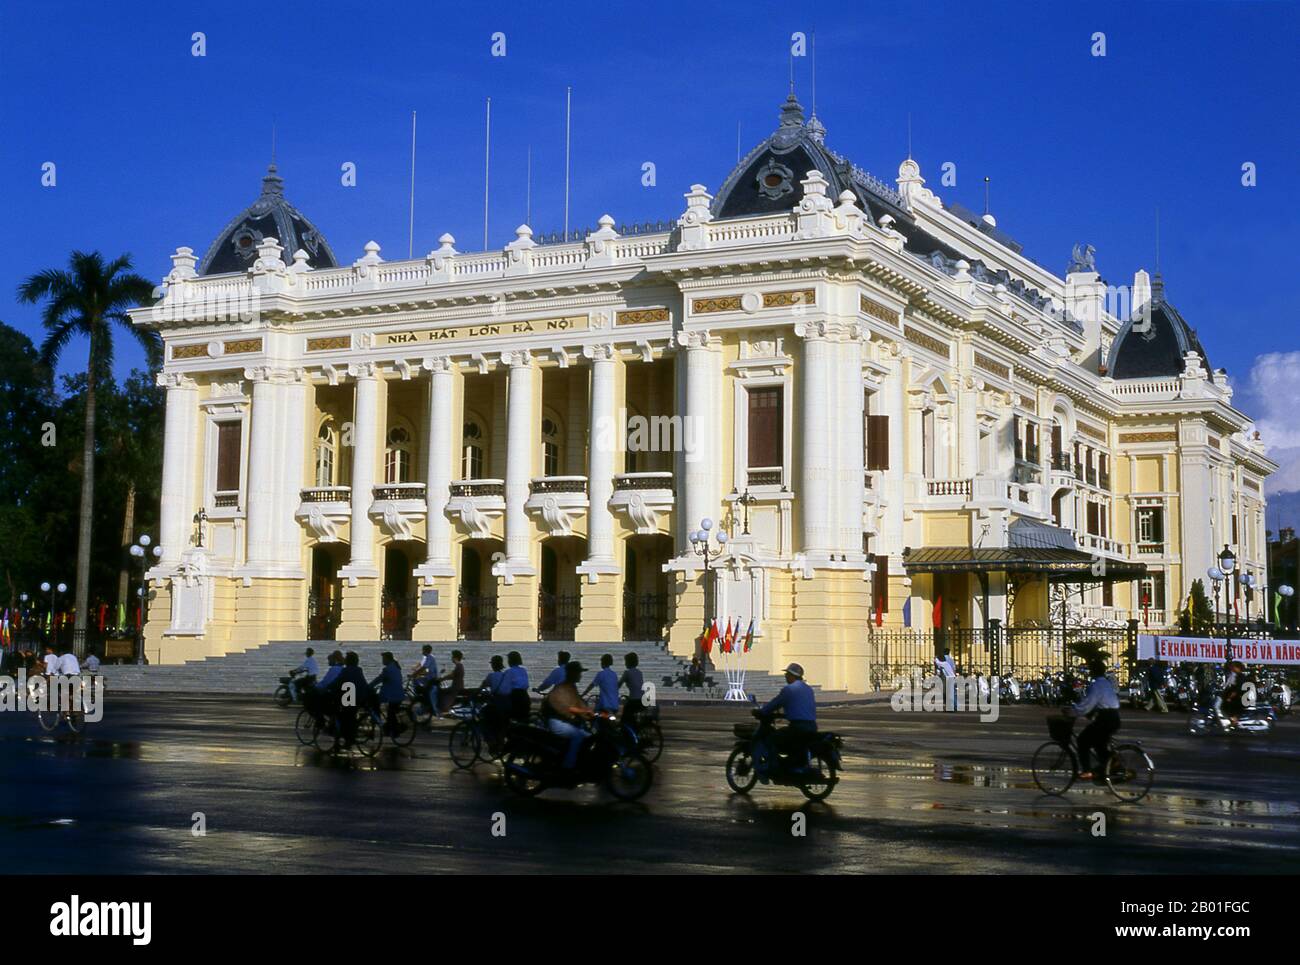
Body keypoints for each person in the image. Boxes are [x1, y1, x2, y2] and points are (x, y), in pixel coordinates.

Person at [1070, 656, 1121, 781]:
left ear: (1093, 671)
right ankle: (1111, 764)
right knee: (1099, 744)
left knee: (1082, 741)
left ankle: (1087, 770)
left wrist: (1073, 711)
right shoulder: (1106, 683)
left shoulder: (1096, 685)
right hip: (1114, 717)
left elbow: (1087, 705)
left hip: (1105, 719)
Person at [759, 663, 818, 762]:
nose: (785, 676)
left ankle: (776, 766)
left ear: (792, 676)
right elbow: (801, 708)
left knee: (771, 739)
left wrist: (762, 711)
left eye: (787, 674)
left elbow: (775, 703)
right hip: (812, 727)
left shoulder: (789, 689)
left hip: (798, 728)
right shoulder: (809, 689)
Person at [542, 661, 593, 769]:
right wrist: (584, 712)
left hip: (566, 721)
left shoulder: (572, 687)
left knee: (589, 737)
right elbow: (566, 707)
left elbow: (579, 703)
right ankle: (568, 767)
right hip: (556, 722)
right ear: (572, 673)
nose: (580, 675)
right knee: (577, 736)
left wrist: (592, 713)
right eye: (578, 673)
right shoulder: (561, 688)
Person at [328, 652, 370, 748]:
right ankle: (350, 736)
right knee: (351, 715)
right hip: (360, 697)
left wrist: (328, 687)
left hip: (351, 697)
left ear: (348, 661)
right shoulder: (359, 670)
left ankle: (348, 740)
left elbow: (338, 682)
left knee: (344, 716)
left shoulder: (346, 671)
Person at [370, 651, 406, 738]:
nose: (382, 660)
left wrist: (369, 686)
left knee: (375, 703)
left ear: (387, 659)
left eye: (383, 658)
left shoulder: (387, 669)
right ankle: (391, 729)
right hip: (399, 694)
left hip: (391, 695)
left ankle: (379, 721)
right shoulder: (396, 667)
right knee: (391, 712)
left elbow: (378, 679)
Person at [410, 645, 440, 719]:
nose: (422, 651)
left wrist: (414, 674)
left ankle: (428, 706)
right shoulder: (428, 658)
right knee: (417, 680)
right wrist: (417, 674)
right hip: (428, 677)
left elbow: (424, 667)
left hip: (432, 679)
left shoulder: (430, 657)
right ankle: (422, 699)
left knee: (425, 690)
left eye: (423, 650)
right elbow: (424, 669)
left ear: (425, 651)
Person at [619, 652, 645, 729]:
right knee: (631, 717)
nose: (625, 663)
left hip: (634, 700)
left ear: (629, 662)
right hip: (643, 700)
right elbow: (637, 687)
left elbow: (618, 685)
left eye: (626, 661)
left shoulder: (627, 673)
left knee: (624, 719)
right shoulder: (639, 672)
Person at [436, 650, 465, 715]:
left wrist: (441, 679)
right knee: (444, 691)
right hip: (458, 686)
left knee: (441, 691)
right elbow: (452, 676)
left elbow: (451, 675)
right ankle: (445, 707)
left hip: (456, 687)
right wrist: (443, 678)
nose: (451, 658)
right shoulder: (459, 666)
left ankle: (444, 708)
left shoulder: (459, 666)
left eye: (452, 657)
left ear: (455, 658)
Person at [505, 651, 530, 721]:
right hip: (525, 695)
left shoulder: (508, 671)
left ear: (510, 660)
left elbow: (505, 686)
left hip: (514, 696)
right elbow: (526, 684)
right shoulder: (523, 670)